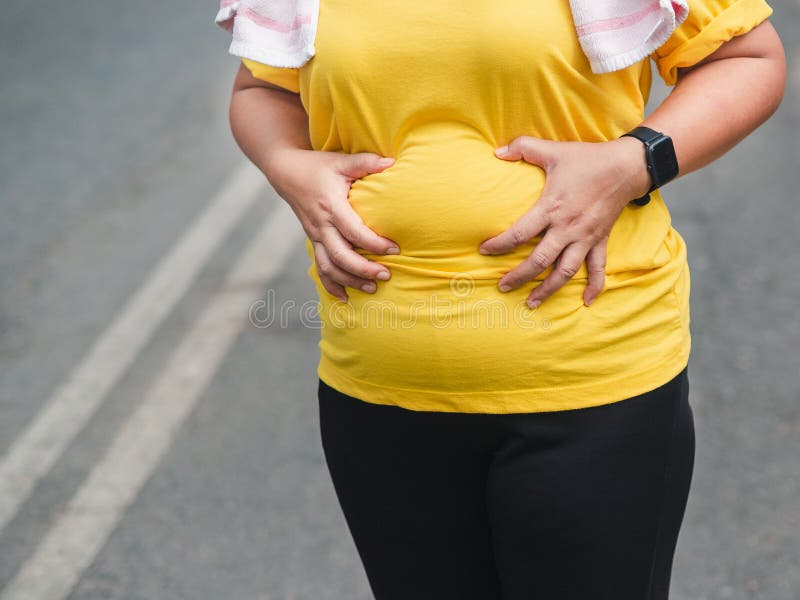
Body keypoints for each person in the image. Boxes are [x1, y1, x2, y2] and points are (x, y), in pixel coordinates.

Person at [224, 1, 785, 598]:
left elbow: (748, 57)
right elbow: (261, 88)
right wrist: (287, 165)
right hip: (379, 388)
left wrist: (633, 161)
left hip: (593, 382)